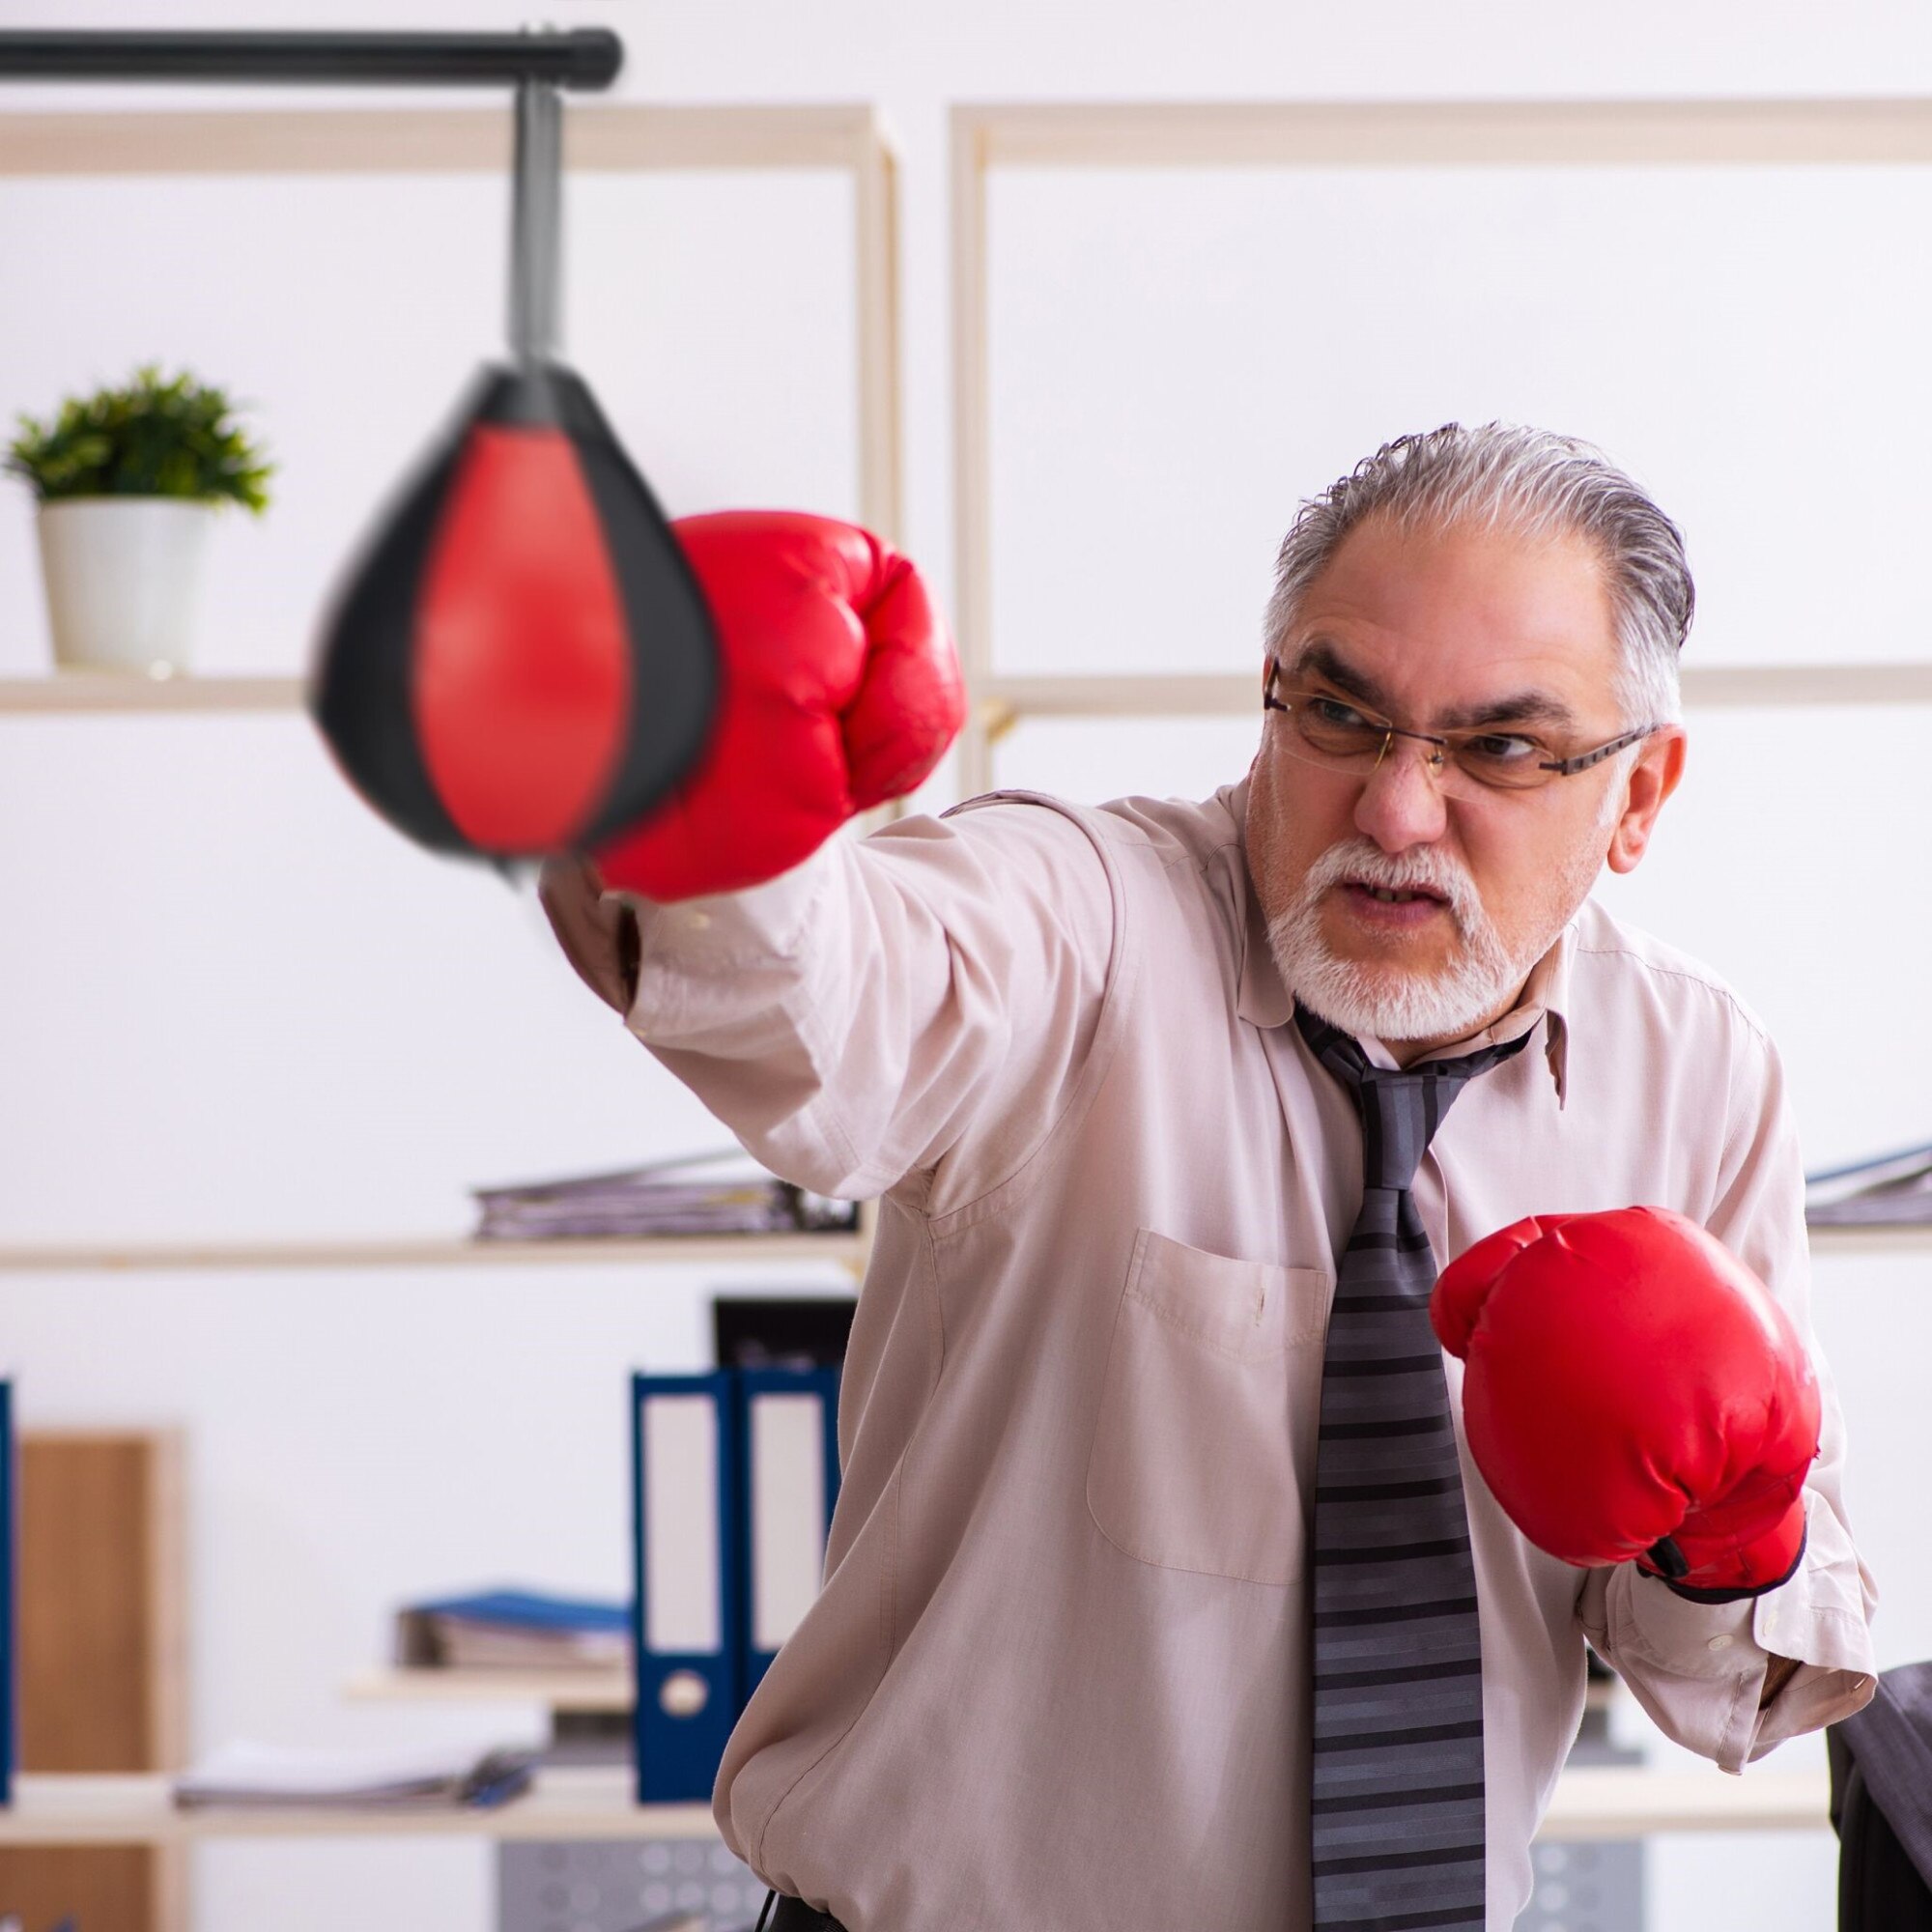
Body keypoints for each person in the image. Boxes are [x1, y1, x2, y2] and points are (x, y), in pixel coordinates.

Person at [540, 423, 1877, 1932]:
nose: (1395, 809)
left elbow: (1734, 1694)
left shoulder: (1695, 1077)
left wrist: (1732, 1534)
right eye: (1340, 714)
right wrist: (701, 793)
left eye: (1498, 748)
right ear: (1269, 702)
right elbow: (830, 1010)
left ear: (1640, 796)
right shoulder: (1088, 926)